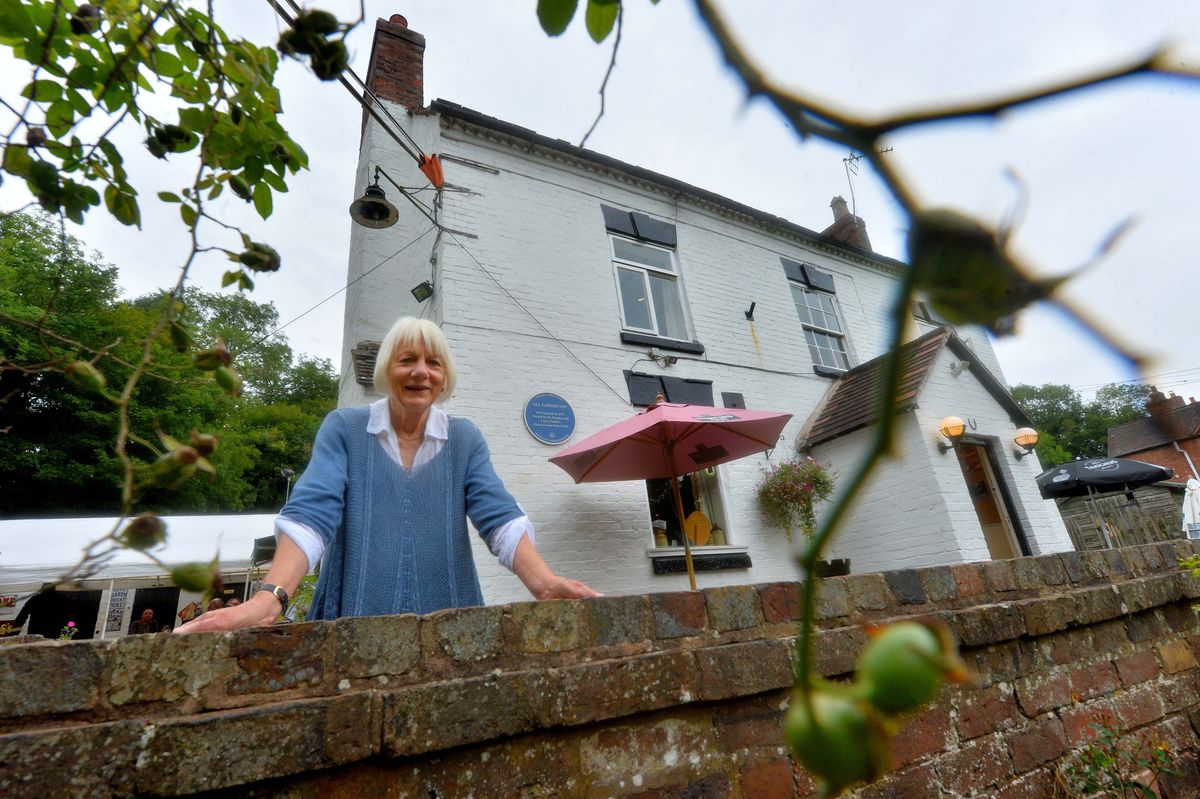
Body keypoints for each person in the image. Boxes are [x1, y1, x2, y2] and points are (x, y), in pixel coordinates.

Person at [177, 317, 598, 633]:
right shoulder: (344, 428)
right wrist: (271, 599)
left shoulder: (464, 439)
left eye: (433, 363)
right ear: (386, 369)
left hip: (449, 615)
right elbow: (312, 514)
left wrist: (542, 584)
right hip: (355, 616)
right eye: (407, 360)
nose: (421, 372)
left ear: (444, 376)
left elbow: (499, 517)